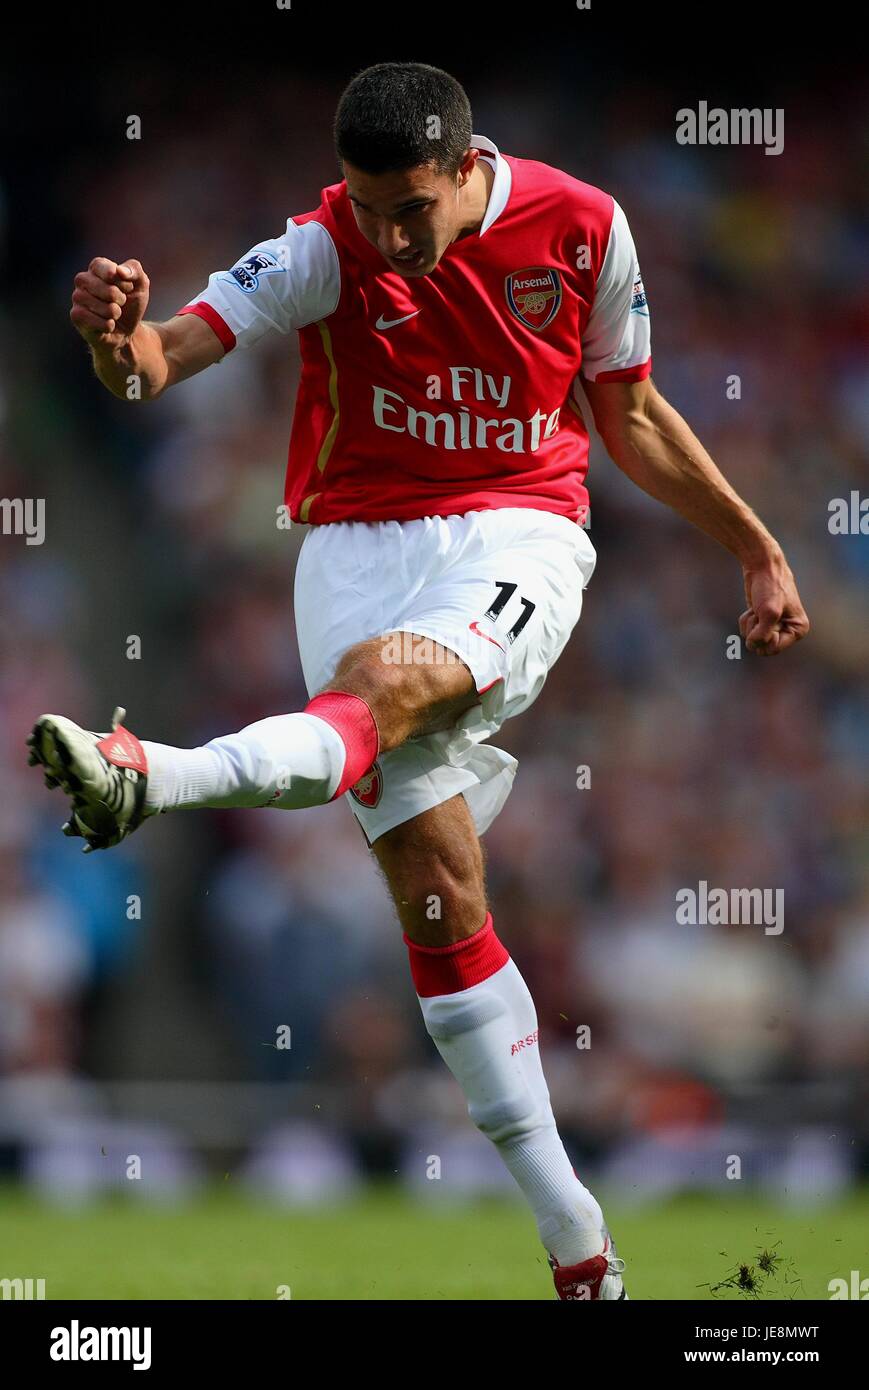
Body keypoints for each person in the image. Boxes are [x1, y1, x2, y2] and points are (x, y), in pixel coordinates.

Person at [28, 61, 809, 1301]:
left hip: (517, 532)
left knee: (392, 686)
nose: (387, 240)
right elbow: (160, 364)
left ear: (461, 168)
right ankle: (582, 1250)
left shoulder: (583, 227)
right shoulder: (323, 244)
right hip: (348, 549)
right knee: (439, 897)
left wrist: (756, 547)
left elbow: (636, 412)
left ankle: (153, 775)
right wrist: (112, 343)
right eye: (365, 208)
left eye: (409, 212)